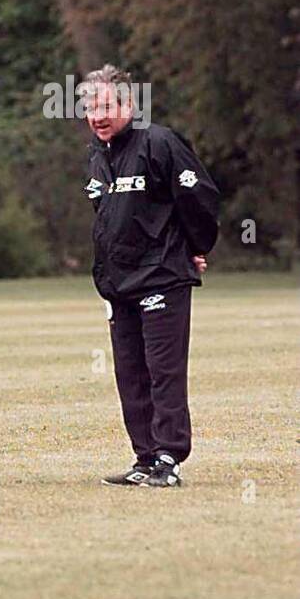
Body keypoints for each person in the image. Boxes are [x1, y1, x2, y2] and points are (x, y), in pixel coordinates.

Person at [82, 64, 220, 488]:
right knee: (131, 374)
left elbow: (199, 198)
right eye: (90, 107)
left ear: (129, 105)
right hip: (118, 285)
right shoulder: (96, 155)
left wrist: (194, 248)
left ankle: (168, 458)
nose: (98, 115)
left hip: (162, 279)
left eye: (107, 106)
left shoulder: (159, 142)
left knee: (164, 372)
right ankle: (144, 457)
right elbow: (109, 220)